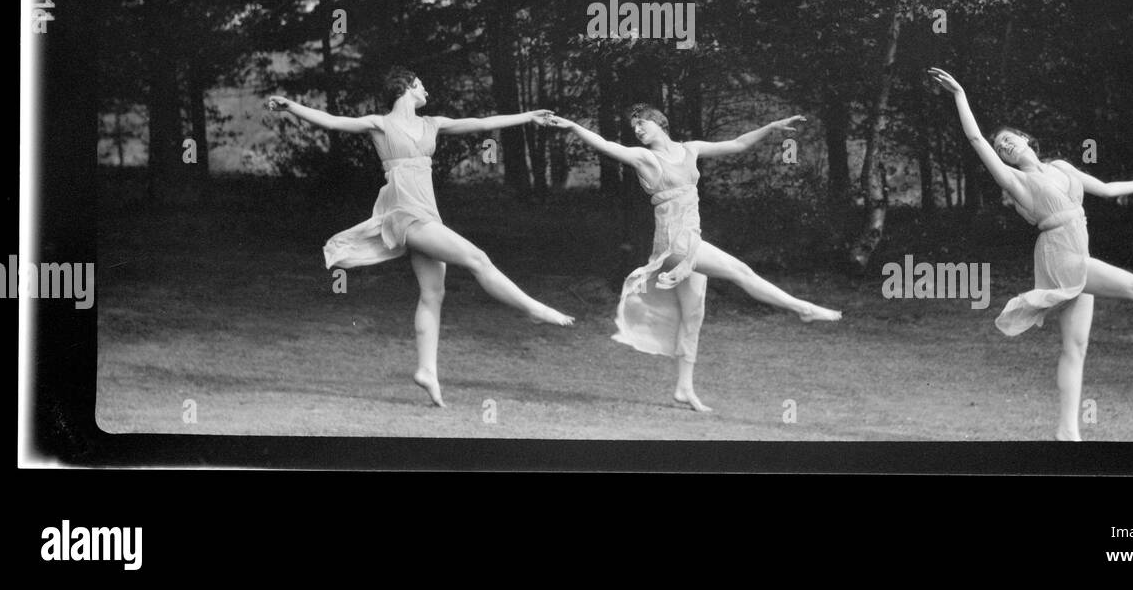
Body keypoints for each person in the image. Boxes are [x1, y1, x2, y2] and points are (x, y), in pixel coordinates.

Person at [928, 67, 1133, 441]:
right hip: (1060, 256)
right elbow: (976, 139)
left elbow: (1105, 188)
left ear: (1026, 140)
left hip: (1076, 249)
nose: (1006, 146)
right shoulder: (1015, 180)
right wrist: (960, 94)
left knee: (1076, 346)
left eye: (1010, 140)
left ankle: (1067, 433)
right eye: (1002, 147)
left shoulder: (1062, 167)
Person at [266, 67, 573, 407]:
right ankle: (534, 309)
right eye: (422, 84)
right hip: (404, 215)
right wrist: (291, 105)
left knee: (432, 293)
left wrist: (527, 116)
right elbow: (332, 121)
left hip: (427, 215)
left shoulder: (433, 124)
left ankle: (427, 371)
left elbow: (482, 123)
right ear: (408, 87)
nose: (427, 89)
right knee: (478, 259)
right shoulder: (380, 124)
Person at [544, 105, 840, 412]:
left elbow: (737, 144)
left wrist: (770, 127)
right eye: (634, 127)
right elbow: (607, 145)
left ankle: (683, 389)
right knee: (741, 271)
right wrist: (572, 127)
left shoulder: (690, 149)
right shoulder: (645, 158)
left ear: (660, 123)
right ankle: (802, 308)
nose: (637, 130)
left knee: (692, 316)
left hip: (691, 238)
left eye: (641, 123)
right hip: (675, 243)